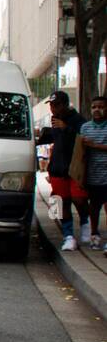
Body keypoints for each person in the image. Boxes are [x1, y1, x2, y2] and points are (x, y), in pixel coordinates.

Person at [37, 90, 90, 251]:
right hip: (57, 170)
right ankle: (68, 236)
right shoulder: (54, 121)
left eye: (57, 105)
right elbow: (53, 141)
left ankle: (85, 223)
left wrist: (67, 128)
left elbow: (84, 140)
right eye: (52, 105)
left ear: (66, 105)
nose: (53, 109)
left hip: (75, 169)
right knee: (60, 202)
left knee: (79, 199)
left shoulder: (78, 120)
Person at [79, 95, 107, 251]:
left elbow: (93, 145)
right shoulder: (85, 127)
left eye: (101, 107)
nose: (97, 110)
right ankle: (94, 234)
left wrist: (94, 145)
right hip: (92, 174)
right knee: (94, 207)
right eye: (94, 107)